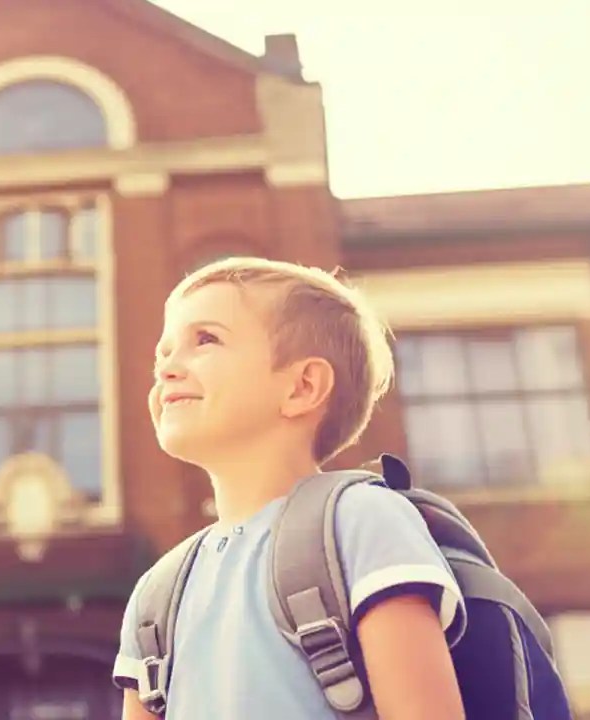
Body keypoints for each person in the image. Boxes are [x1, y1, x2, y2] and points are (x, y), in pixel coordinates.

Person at [114, 257, 466, 719]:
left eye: (205, 340)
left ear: (302, 386)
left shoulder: (359, 520)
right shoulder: (155, 595)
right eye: (164, 353)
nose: (166, 369)